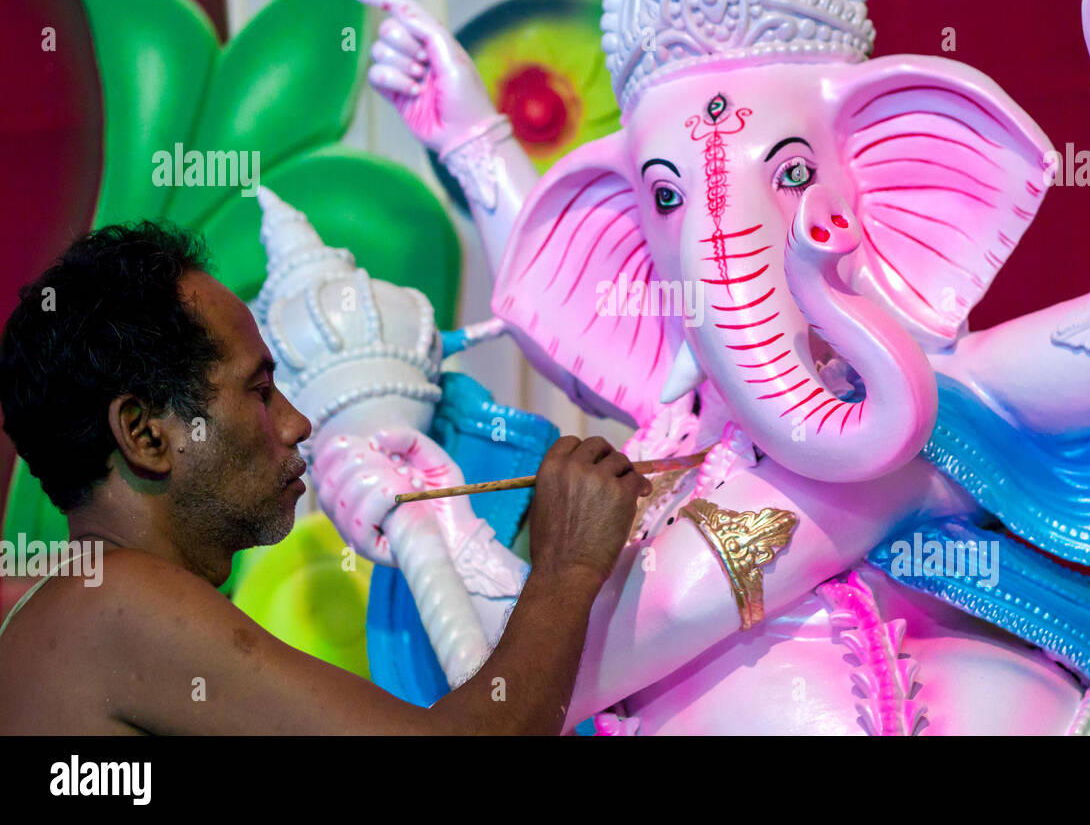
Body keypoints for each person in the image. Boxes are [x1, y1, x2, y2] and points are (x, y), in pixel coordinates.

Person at [0, 222, 648, 734]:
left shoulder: (80, 606)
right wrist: (568, 570)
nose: (297, 424)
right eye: (260, 392)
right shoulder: (118, 602)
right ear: (146, 434)